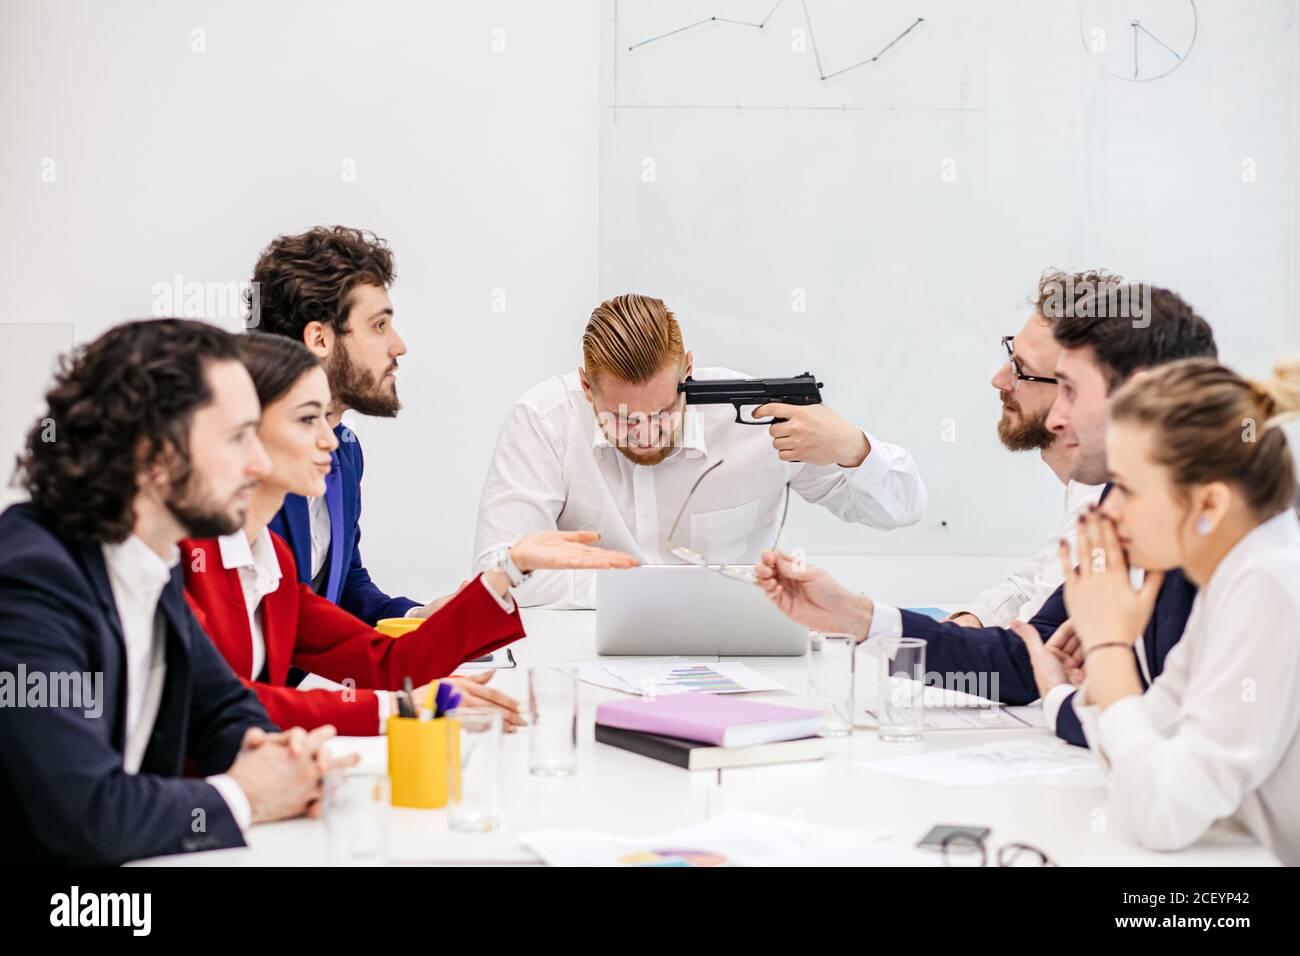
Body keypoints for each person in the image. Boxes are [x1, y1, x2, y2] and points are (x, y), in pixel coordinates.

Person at [753, 284, 1216, 746]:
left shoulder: (1221, 550)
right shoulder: (1125, 505)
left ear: (1133, 397)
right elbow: (1032, 658)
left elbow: (1162, 759)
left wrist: (1084, 672)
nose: (1057, 420)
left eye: (1070, 391)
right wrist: (851, 615)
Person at [0, 318, 352, 865]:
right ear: (154, 455)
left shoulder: (149, 559)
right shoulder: (29, 581)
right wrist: (245, 795)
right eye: (237, 438)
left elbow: (223, 709)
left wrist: (278, 755)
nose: (258, 463)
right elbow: (85, 813)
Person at [183, 334, 635, 735]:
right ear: (243, 433)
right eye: (307, 420)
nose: (332, 440)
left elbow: (386, 662)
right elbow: (224, 706)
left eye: (327, 419)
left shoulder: (272, 559)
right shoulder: (186, 561)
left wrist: (510, 569)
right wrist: (397, 708)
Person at [473, 292, 928, 608]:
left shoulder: (758, 420)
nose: (645, 435)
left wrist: (852, 446)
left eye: (662, 413)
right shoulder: (544, 422)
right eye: (624, 420)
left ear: (687, 370)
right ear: (586, 387)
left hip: (735, 664)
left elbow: (901, 510)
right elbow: (495, 574)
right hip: (577, 661)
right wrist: (655, 594)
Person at [1048, 357, 1300, 863]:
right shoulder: (1234, 575)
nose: (1106, 512)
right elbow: (1140, 748)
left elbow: (1164, 814)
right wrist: (1104, 659)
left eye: (1128, 490)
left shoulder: (1268, 580)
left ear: (1208, 505)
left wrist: (1109, 645)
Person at [251, 226, 448, 624]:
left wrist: (417, 617)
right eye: (379, 326)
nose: (398, 346)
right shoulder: (250, 457)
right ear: (319, 339)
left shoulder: (345, 449)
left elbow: (343, 588)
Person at [945, 270, 1107, 629]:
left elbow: (1027, 652)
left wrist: (881, 625)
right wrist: (969, 621)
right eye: (1010, 355)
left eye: (1022, 370)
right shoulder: (1085, 484)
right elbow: (1035, 582)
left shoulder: (1107, 500)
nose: (999, 380)